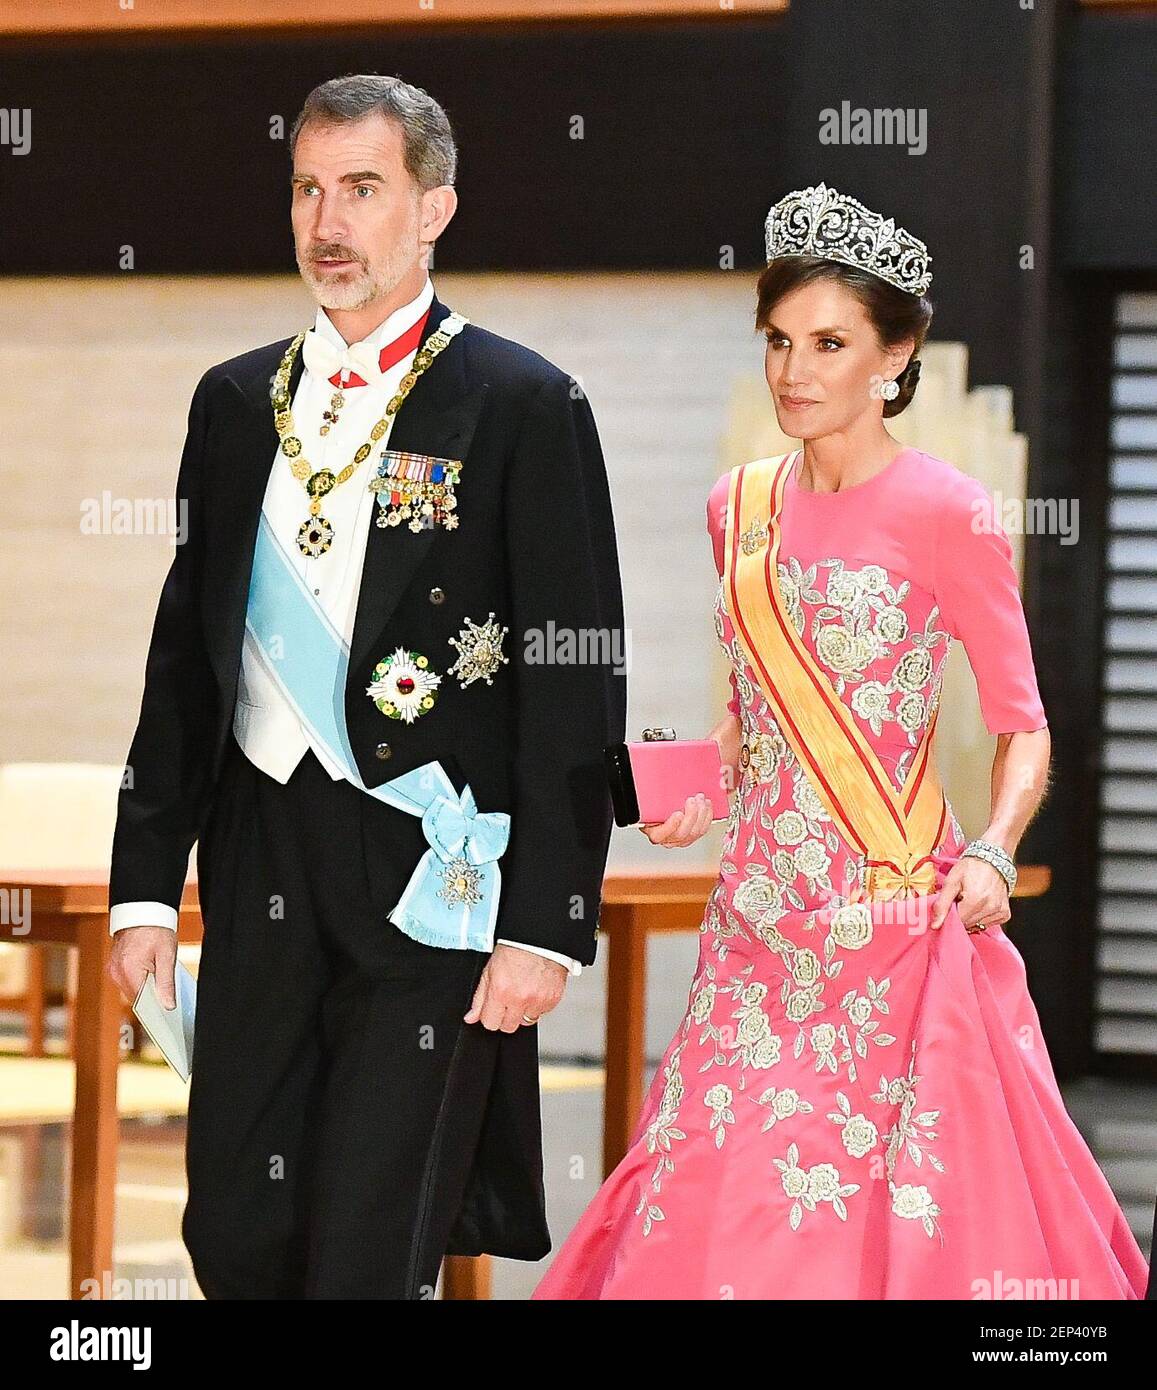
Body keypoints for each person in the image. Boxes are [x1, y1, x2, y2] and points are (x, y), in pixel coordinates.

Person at [533, 184, 1149, 1300]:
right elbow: (752, 717)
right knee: (727, 1206)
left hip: (894, 926)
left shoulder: (947, 510)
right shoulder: (737, 506)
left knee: (880, 1220)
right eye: (776, 340)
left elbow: (1021, 725)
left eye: (827, 343)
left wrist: (993, 849)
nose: (792, 372)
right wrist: (699, 792)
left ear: (894, 355)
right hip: (756, 928)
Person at [106, 73, 626, 1299]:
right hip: (259, 853)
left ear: (433, 207)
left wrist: (546, 918)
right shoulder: (234, 403)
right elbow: (185, 658)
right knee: (235, 1222)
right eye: (305, 189)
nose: (324, 223)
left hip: (428, 867)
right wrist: (142, 886)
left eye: (360, 189)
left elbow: (573, 675)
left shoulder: (518, 403)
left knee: (370, 1239)